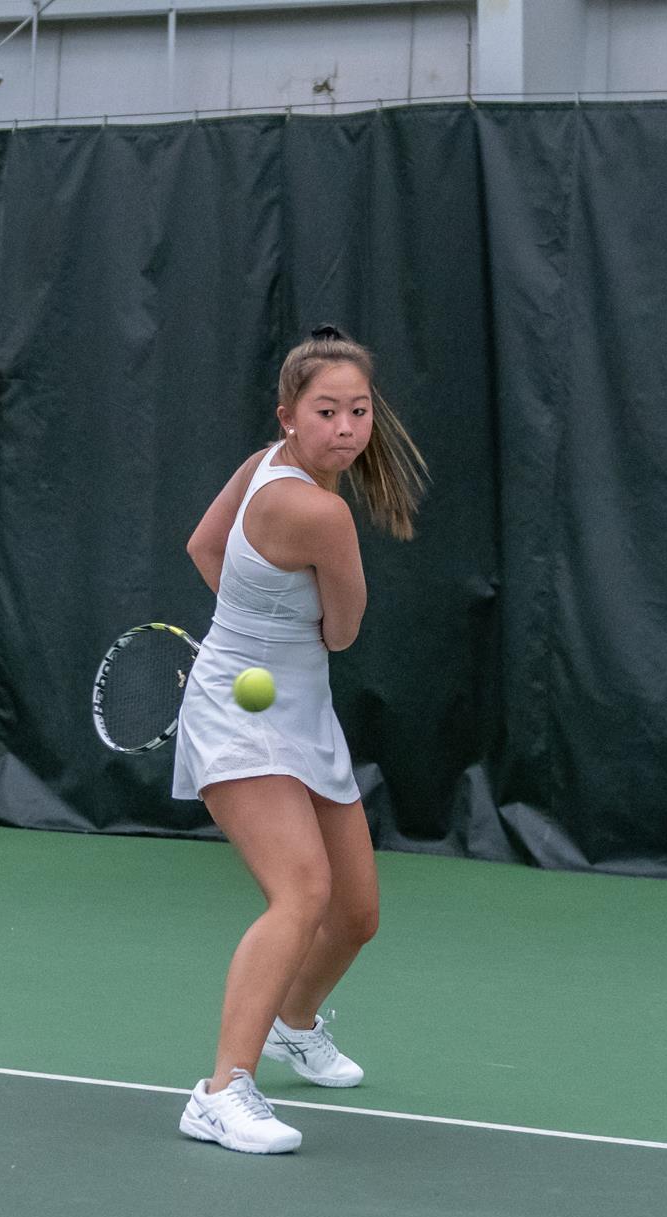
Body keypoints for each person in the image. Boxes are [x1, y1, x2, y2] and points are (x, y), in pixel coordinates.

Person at [172, 325, 427, 1154]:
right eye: (327, 411)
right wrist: (254, 649)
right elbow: (344, 630)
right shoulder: (315, 510)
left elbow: (205, 547)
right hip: (241, 715)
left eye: (359, 410)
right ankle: (220, 1091)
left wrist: (253, 632)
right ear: (290, 416)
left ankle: (295, 1019)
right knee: (301, 892)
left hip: (300, 712)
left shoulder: (261, 467)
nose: (347, 427)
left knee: (355, 912)